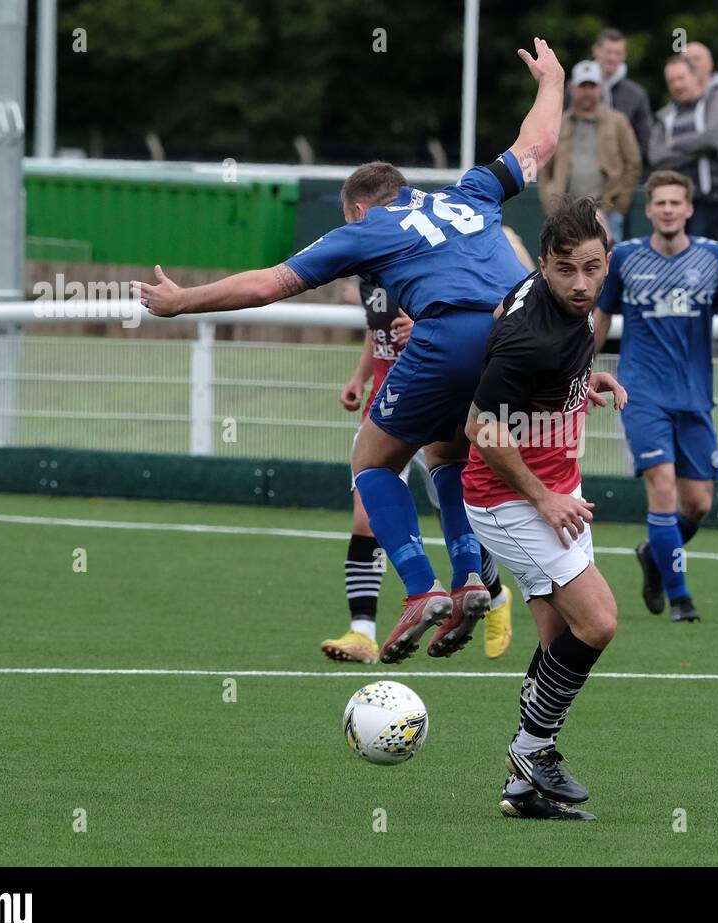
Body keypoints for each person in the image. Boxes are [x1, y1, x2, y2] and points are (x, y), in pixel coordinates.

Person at [132, 38, 566, 664]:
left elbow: (268, 284)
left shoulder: (367, 229)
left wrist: (182, 301)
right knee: (448, 452)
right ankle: (471, 578)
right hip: (525, 338)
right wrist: (549, 82)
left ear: (360, 207)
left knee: (371, 459)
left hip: (456, 337)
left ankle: (420, 589)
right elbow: (538, 147)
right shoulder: (468, 192)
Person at [463, 197, 627, 821]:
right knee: (600, 621)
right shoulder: (527, 336)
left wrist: (590, 381)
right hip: (512, 500)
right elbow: (482, 428)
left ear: (606, 258)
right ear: (543, 265)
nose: (580, 283)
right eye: (566, 270)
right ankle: (531, 751)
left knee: (560, 639)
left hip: (557, 491)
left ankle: (523, 790)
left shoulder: (568, 308)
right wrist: (544, 498)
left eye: (591, 267)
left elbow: (558, 373)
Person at [321, 275, 513, 663]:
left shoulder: (421, 260)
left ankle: (493, 595)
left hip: (434, 394)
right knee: (366, 517)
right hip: (385, 407)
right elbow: (376, 332)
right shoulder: (365, 269)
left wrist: (427, 331)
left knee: (454, 515)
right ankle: (362, 632)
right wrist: (361, 376)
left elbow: (473, 322)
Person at [594, 170, 718, 621]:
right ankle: (681, 598)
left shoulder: (713, 257)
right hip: (642, 392)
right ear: (648, 210)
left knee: (698, 503)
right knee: (662, 487)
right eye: (659, 203)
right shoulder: (623, 258)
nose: (667, 209)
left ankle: (655, 553)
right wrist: (582, 369)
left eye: (675, 202)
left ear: (688, 209)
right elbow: (601, 318)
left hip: (695, 396)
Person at [540, 60, 642, 246]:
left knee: (609, 263)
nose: (587, 91)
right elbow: (544, 166)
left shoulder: (617, 121)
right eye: (582, 86)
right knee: (566, 262)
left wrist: (619, 206)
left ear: (601, 88)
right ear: (572, 88)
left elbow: (633, 163)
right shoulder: (558, 122)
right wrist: (551, 202)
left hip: (607, 211)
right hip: (565, 211)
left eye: (592, 86)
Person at [649, 54, 718, 246]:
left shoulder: (715, 103)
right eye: (671, 81)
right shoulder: (665, 115)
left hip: (709, 202)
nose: (677, 85)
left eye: (681, 78)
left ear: (695, 76)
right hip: (674, 205)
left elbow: (716, 138)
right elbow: (656, 156)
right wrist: (700, 150)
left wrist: (674, 144)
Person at [572, 27, 653, 171]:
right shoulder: (573, 88)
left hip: (619, 172)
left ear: (624, 55)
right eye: (608, 52)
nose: (612, 58)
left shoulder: (636, 94)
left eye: (618, 53)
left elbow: (644, 140)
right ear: (596, 50)